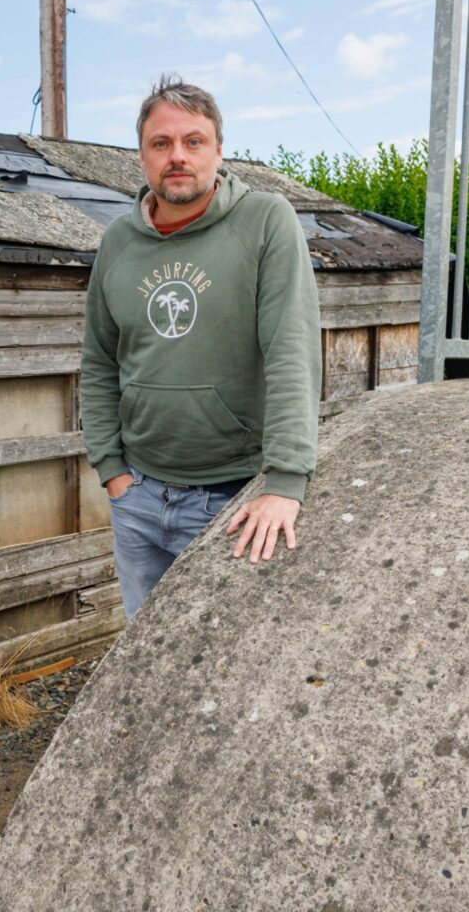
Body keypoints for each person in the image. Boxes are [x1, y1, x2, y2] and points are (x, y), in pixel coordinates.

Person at [80, 75, 321, 618]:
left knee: (228, 662)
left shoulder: (264, 221)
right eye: (160, 144)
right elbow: (98, 359)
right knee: (145, 652)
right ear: (141, 157)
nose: (178, 156)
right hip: (137, 495)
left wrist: (285, 480)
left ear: (219, 150)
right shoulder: (118, 240)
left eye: (194, 141)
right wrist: (112, 469)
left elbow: (291, 349)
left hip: (233, 498)